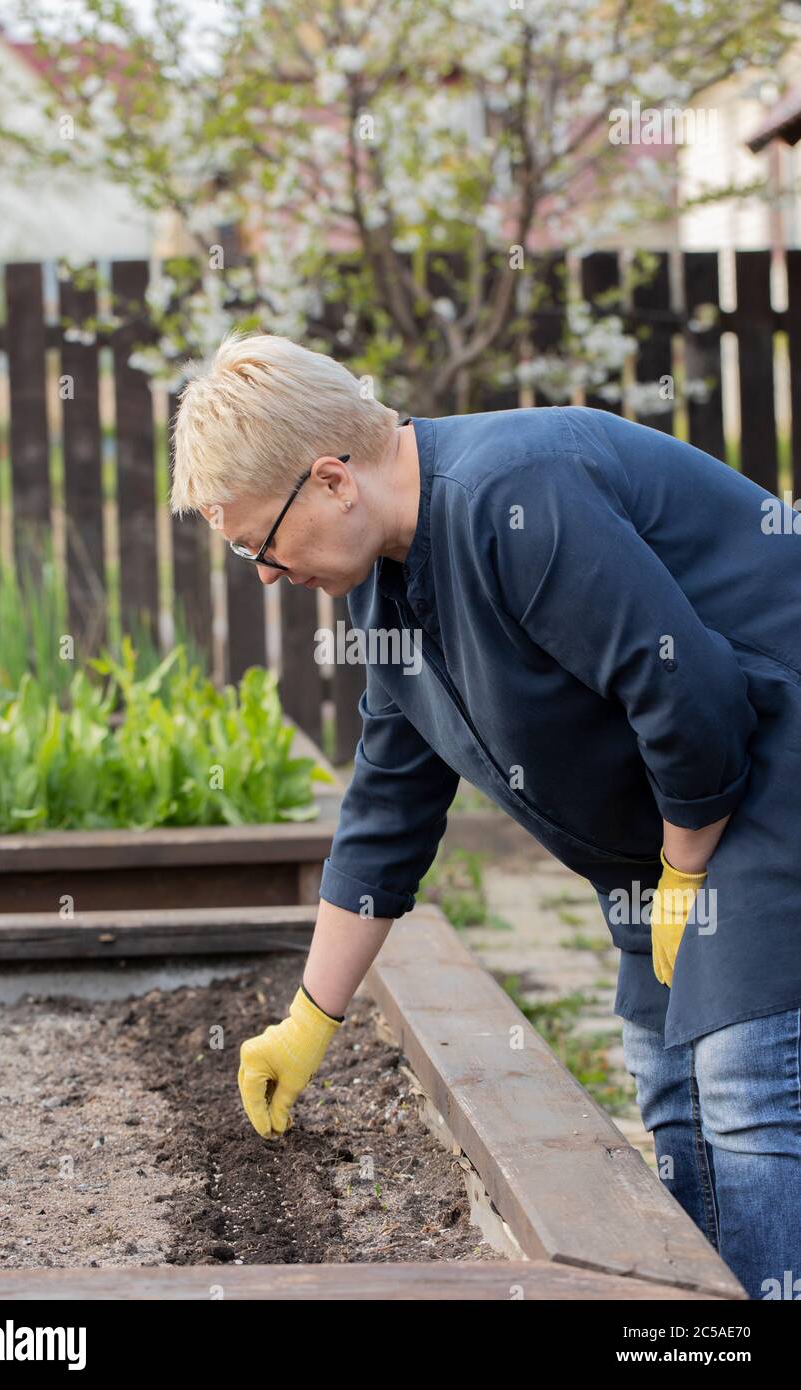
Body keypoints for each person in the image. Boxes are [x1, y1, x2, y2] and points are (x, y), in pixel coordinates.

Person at [170, 327, 801, 1301]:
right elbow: (388, 799)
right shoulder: (383, 586)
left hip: (770, 757)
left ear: (332, 479)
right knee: (666, 1075)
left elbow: (689, 692)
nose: (262, 571)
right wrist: (308, 1018)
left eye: (260, 541)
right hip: (684, 818)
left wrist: (680, 870)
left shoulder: (515, 494)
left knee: (741, 1079)